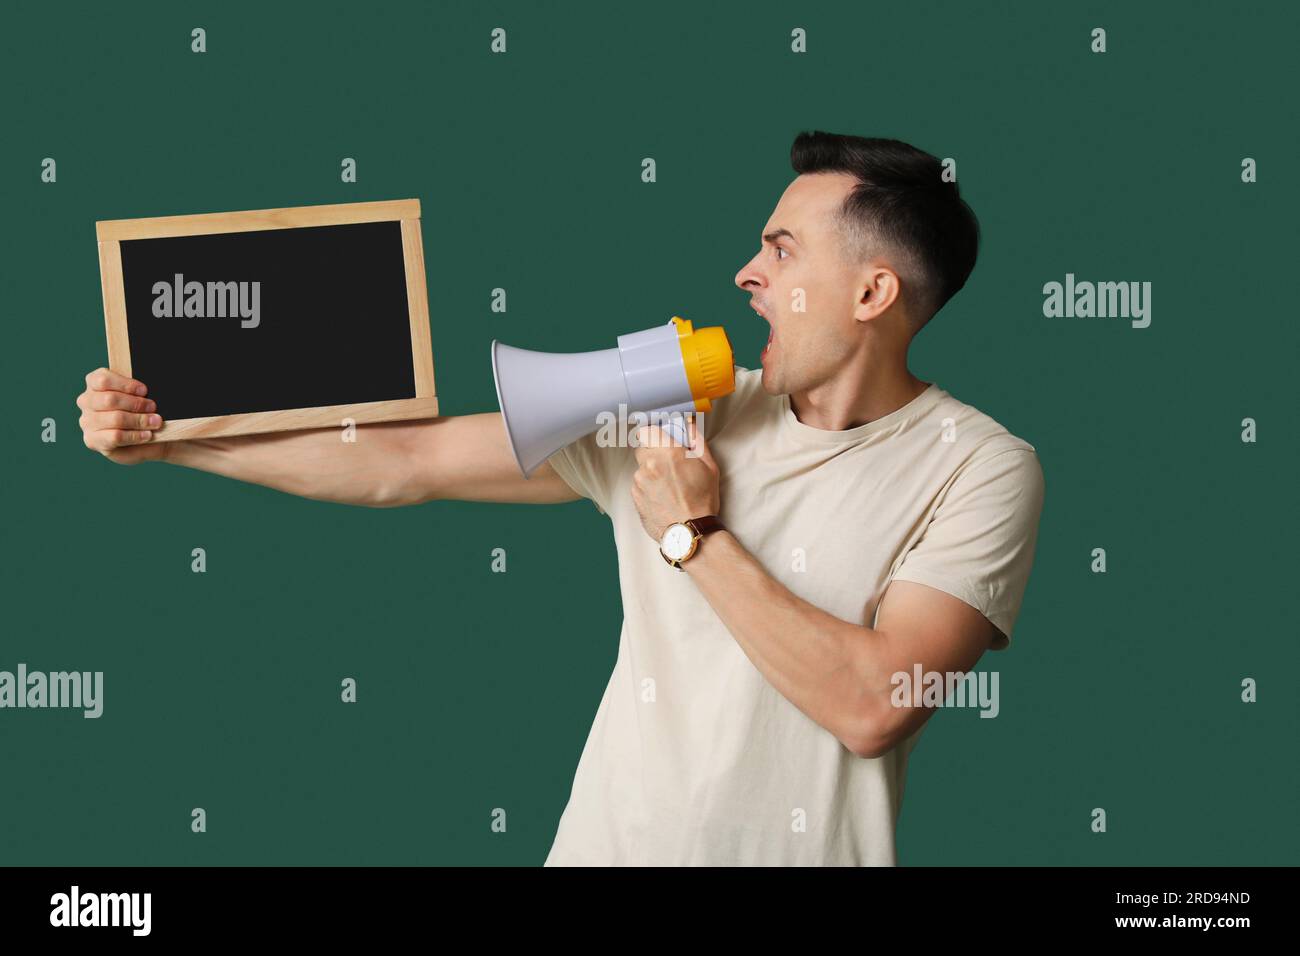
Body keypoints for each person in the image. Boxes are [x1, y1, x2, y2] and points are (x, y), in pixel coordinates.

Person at [77, 131, 1045, 866]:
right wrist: (173, 439)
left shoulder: (978, 466)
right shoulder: (684, 409)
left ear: (873, 293)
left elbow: (875, 702)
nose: (746, 272)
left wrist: (691, 533)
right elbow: (404, 459)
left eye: (782, 250)